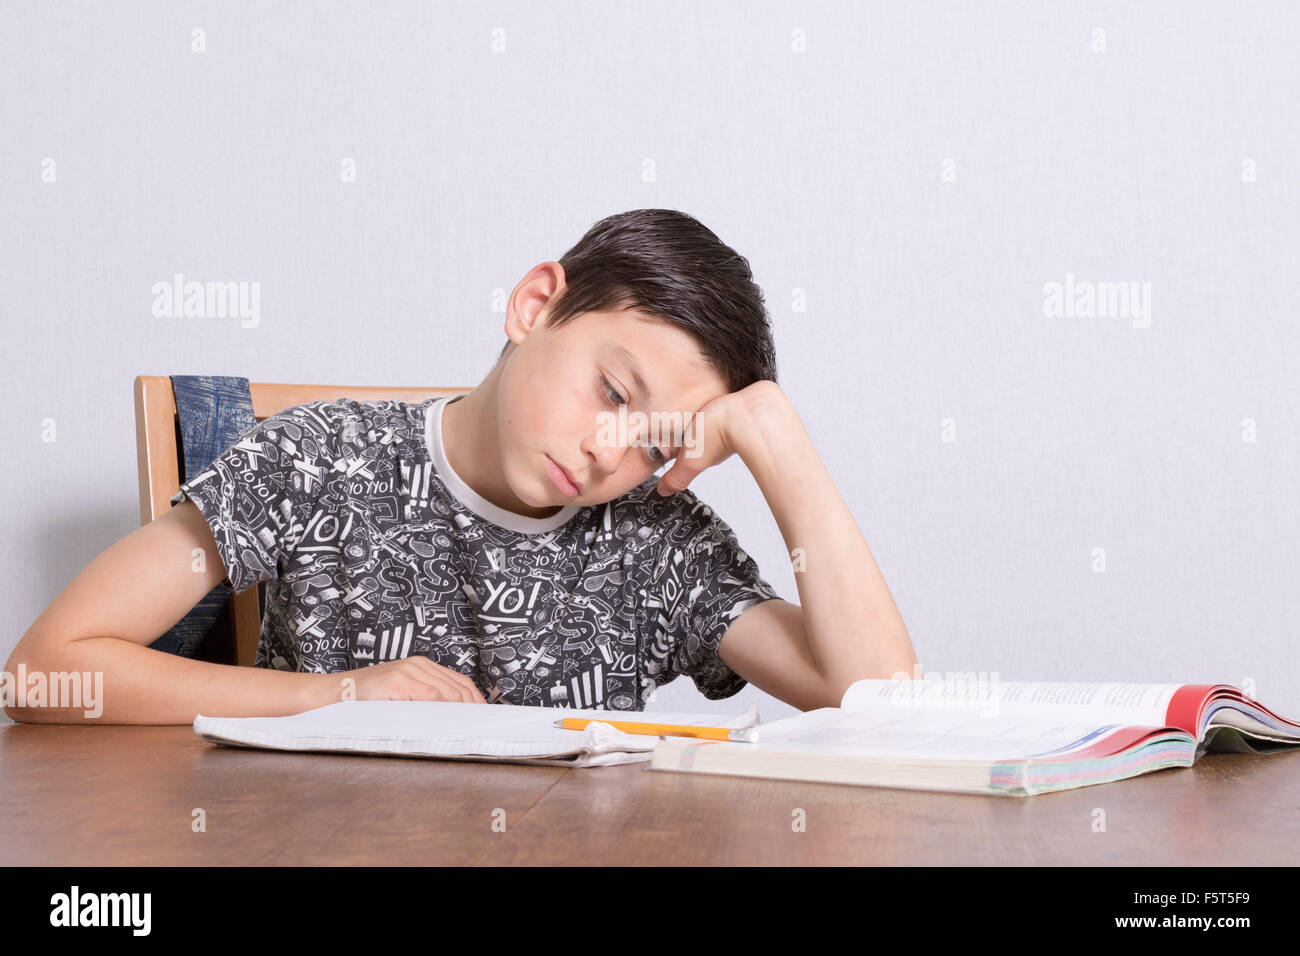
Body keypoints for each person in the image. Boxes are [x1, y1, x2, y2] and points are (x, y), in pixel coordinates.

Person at [4, 209, 917, 724]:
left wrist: (774, 436)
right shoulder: (319, 459)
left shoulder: (658, 544)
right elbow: (44, 670)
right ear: (533, 306)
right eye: (609, 390)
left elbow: (883, 704)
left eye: (656, 441)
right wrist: (337, 695)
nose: (611, 452)